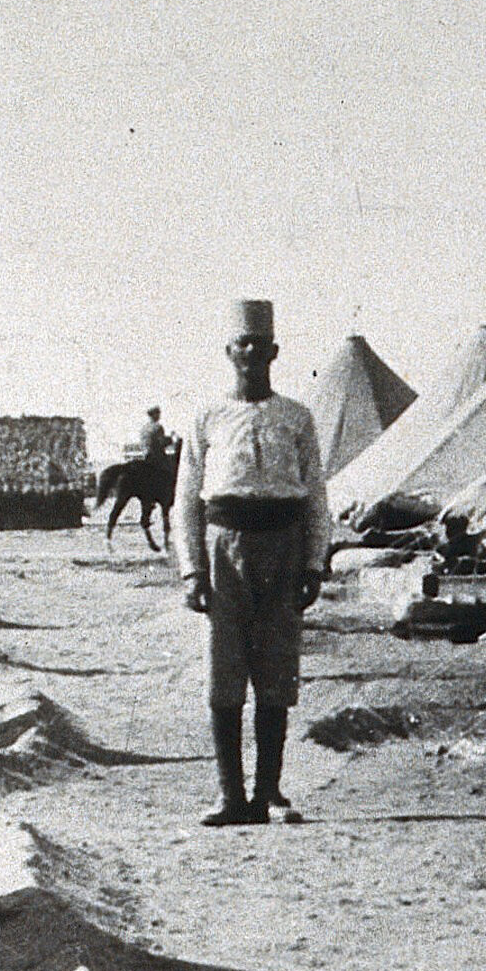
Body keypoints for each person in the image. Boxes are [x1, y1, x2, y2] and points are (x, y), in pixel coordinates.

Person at [174, 300, 329, 826]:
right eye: (243, 344)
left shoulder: (296, 417)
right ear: (229, 352)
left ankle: (266, 793)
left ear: (274, 353)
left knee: (275, 674)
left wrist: (313, 564)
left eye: (260, 346)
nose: (251, 354)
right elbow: (186, 500)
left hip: (282, 547)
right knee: (224, 673)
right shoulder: (207, 417)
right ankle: (229, 796)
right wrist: (192, 570)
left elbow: (316, 496)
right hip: (224, 547)